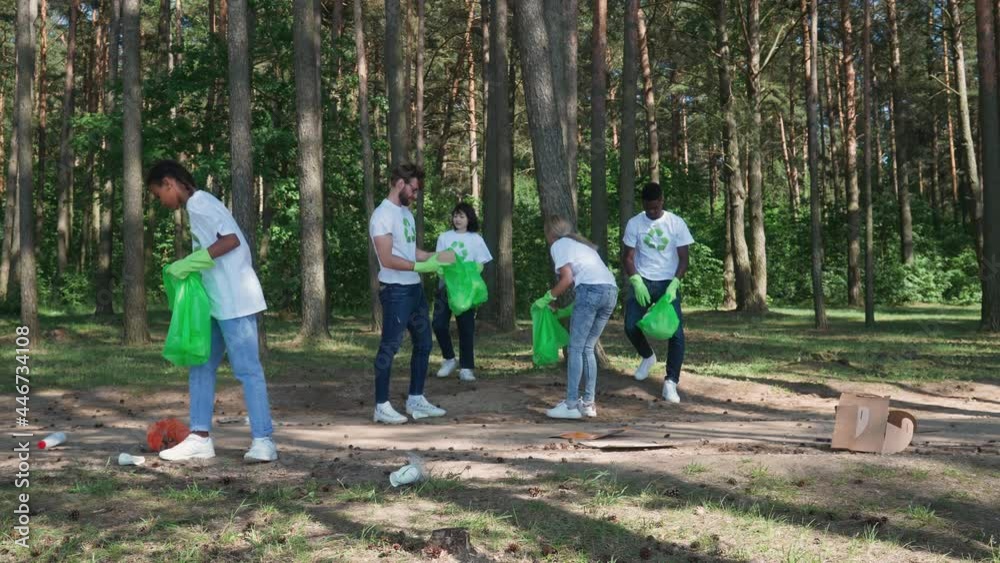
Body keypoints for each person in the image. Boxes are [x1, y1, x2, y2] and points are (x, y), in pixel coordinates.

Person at [146, 159, 277, 462]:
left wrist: (190, 262)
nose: (160, 201)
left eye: (158, 194)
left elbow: (231, 241)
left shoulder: (199, 203)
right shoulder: (200, 204)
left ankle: (264, 441)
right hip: (217, 303)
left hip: (236, 300)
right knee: (201, 364)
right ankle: (200, 437)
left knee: (248, 369)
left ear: (169, 183)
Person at [369, 162, 456, 424]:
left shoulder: (406, 214)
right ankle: (381, 405)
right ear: (400, 184)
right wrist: (420, 266)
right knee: (390, 346)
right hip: (395, 292)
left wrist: (435, 257)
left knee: (425, 343)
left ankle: (415, 399)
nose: (415, 195)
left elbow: (410, 251)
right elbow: (386, 259)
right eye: (414, 189)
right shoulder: (382, 216)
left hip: (414, 289)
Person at [534, 218, 619, 419]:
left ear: (550, 233)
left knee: (575, 348)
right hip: (611, 292)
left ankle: (571, 405)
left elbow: (567, 279)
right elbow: (594, 288)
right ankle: (588, 404)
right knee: (587, 348)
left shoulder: (558, 245)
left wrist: (547, 297)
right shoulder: (581, 245)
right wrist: (563, 310)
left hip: (591, 291)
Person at [623, 182, 694, 403]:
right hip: (644, 280)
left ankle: (671, 382)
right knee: (630, 325)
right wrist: (636, 280)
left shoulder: (676, 223)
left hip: (667, 283)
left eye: (655, 207)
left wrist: (675, 283)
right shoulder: (634, 223)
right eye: (648, 208)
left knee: (676, 333)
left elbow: (684, 259)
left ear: (662, 201)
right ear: (643, 204)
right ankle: (647, 356)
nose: (652, 212)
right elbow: (628, 257)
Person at [433, 203, 493, 382]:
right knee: (438, 324)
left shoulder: (476, 239)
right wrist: (444, 274)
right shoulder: (444, 237)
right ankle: (449, 359)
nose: (457, 219)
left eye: (462, 216)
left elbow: (481, 263)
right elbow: (439, 261)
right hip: (445, 287)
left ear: (469, 219)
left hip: (466, 291)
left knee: (466, 328)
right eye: (455, 216)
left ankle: (466, 368)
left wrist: (469, 274)